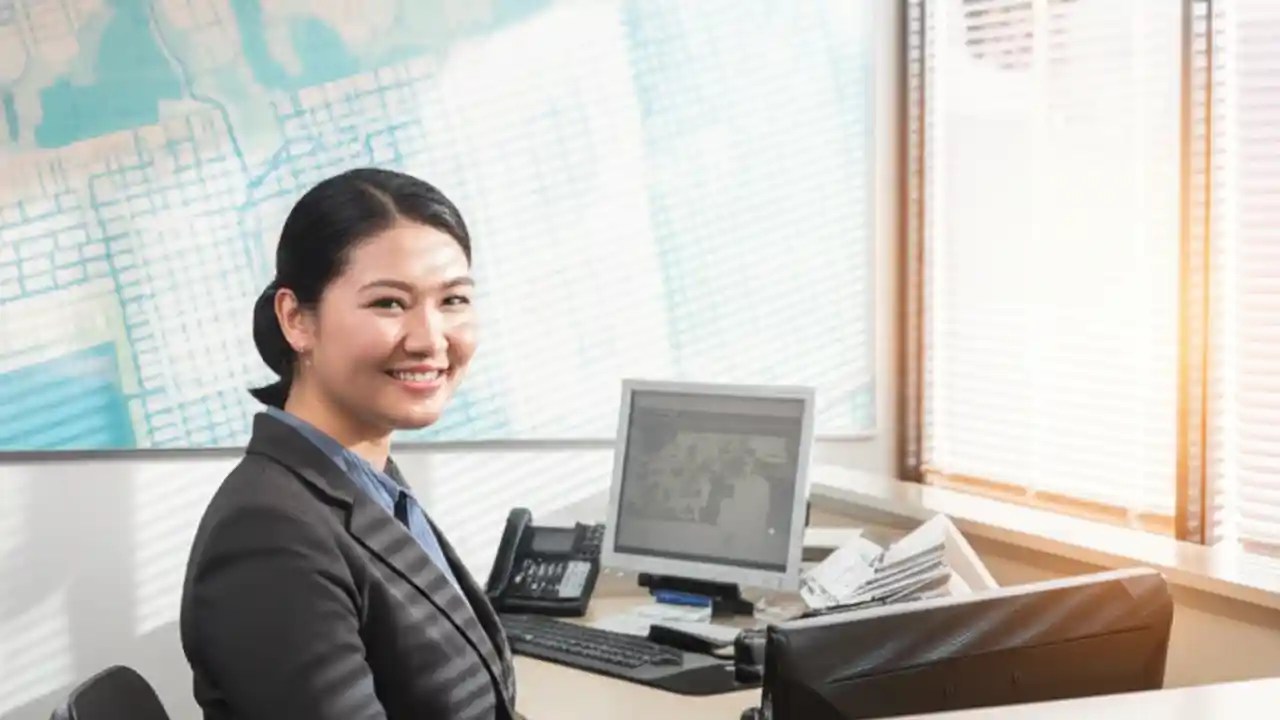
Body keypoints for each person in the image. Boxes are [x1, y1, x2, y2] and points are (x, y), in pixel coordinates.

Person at [180, 168, 518, 720]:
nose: (430, 339)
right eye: (389, 304)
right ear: (296, 320)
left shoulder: (368, 485)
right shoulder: (269, 535)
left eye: (453, 300)